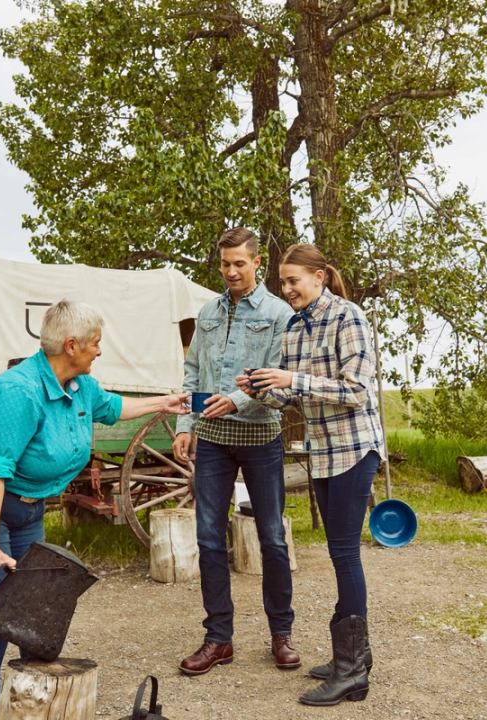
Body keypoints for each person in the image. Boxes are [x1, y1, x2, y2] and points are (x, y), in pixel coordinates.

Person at [0, 299, 188, 720]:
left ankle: (36, 700)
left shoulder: (79, 385)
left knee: (36, 598)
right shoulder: (19, 392)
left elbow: (111, 409)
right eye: (95, 343)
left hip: (27, 502)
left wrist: (164, 403)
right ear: (71, 345)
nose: (99, 350)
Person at [239, 242, 385, 707]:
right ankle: (351, 656)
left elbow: (356, 390)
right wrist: (262, 389)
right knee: (339, 553)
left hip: (353, 450)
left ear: (319, 277)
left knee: (345, 554)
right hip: (322, 452)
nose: (287, 290)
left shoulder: (348, 318)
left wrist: (291, 381)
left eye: (293, 281)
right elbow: (295, 399)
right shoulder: (295, 329)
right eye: (282, 282)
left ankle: (352, 672)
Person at [172, 227, 298, 676]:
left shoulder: (280, 313)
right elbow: (191, 373)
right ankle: (218, 639)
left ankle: (281, 635)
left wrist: (239, 399)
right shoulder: (207, 312)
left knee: (273, 538)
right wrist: (186, 424)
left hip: (261, 439)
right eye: (225, 264)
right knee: (208, 538)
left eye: (239, 263)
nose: (230, 271)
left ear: (256, 263)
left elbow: (282, 374)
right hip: (212, 443)